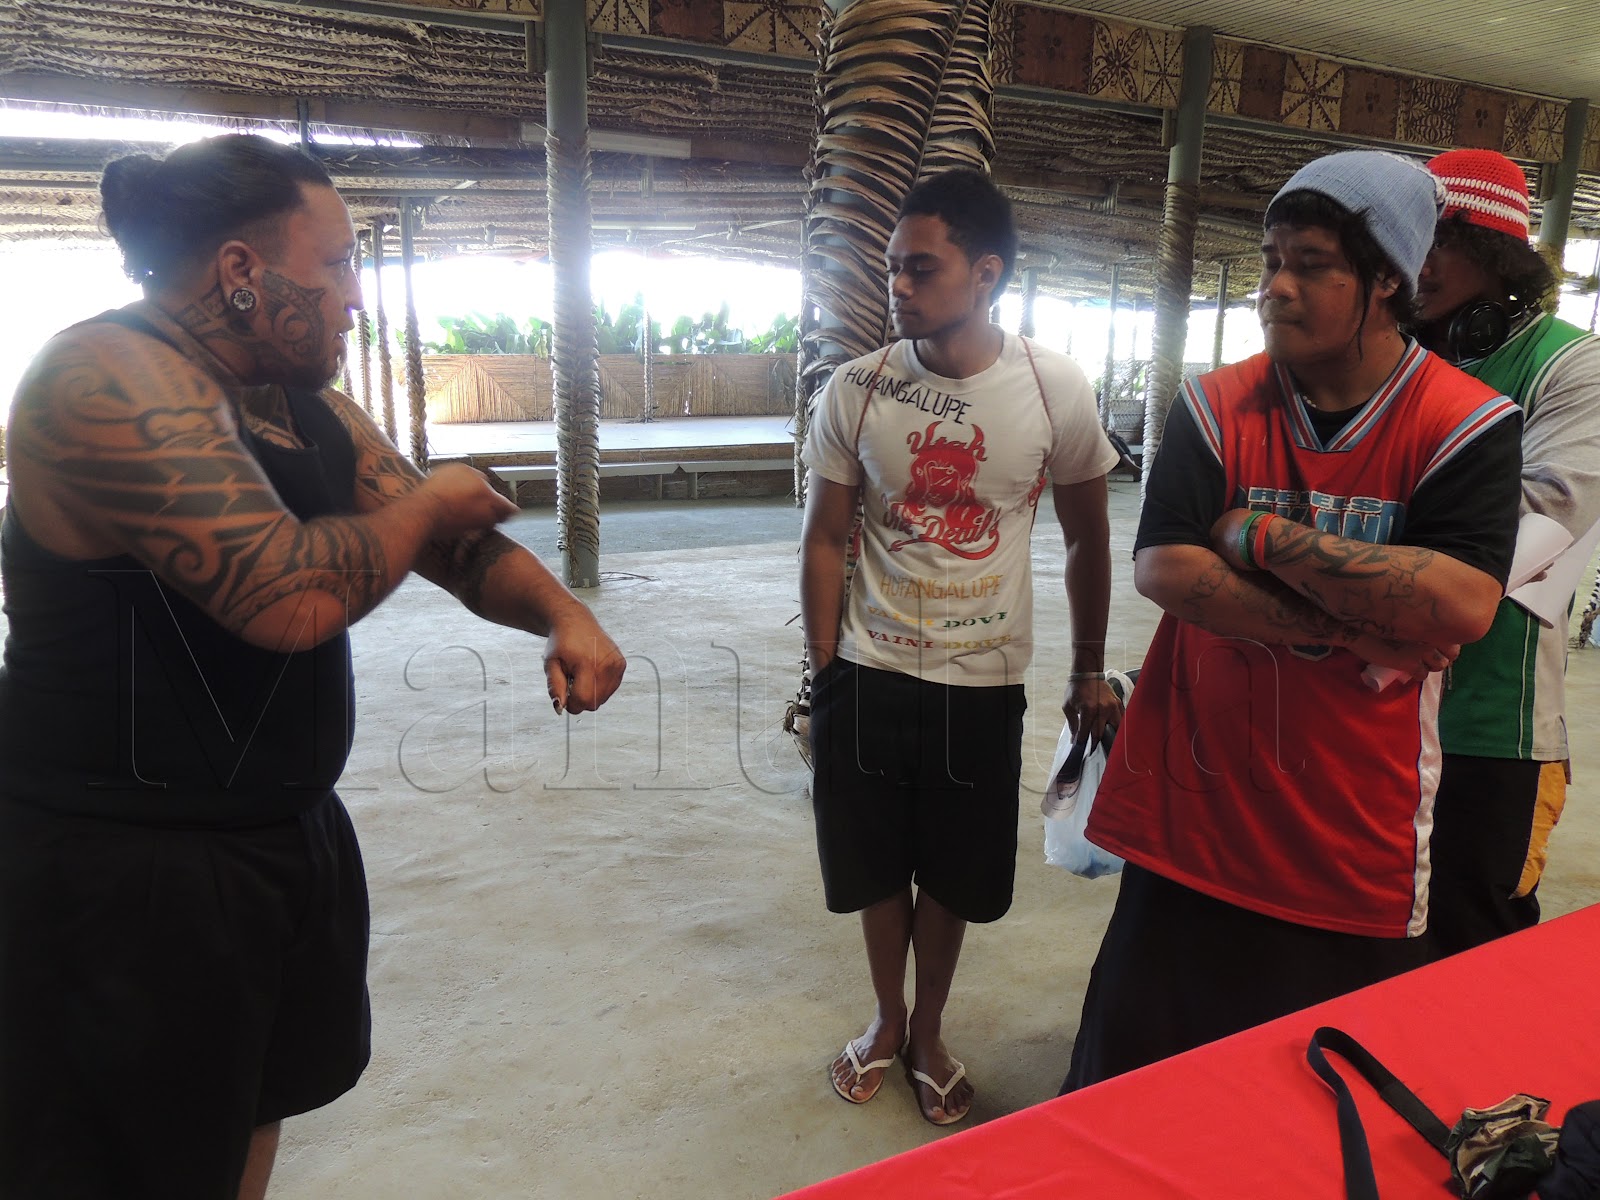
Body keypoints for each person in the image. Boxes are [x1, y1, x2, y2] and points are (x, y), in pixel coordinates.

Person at [0, 135, 626, 1199]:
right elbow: (285, 595)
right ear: (242, 272)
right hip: (123, 868)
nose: (353, 298)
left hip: (279, 833)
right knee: (126, 1161)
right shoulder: (103, 378)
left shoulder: (301, 399)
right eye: (334, 265)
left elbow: (445, 542)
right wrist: (433, 497)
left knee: (251, 1106)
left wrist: (563, 612)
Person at [1061, 150, 1525, 1092]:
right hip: (1190, 813)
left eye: (1310, 264)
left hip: (1350, 831)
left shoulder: (1464, 422)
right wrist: (1350, 629)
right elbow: (1165, 567)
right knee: (1132, 1090)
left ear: (1389, 279)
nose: (1275, 288)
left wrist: (1257, 532)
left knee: (1311, 1108)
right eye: (1271, 260)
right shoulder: (1216, 404)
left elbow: (1462, 602)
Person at [800, 168, 1120, 1125]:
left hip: (983, 684)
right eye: (894, 267)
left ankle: (931, 1027)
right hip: (869, 669)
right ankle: (887, 1021)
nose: (900, 286)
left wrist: (1088, 667)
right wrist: (825, 679)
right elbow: (823, 537)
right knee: (871, 864)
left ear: (986, 274)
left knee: (952, 871)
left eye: (922, 268)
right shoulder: (856, 391)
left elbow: (1089, 537)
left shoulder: (1051, 388)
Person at [1414, 148, 1600, 956]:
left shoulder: (1567, 362)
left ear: (1495, 257)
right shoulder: (1392, 359)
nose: (1410, 265)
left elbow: (1551, 505)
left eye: (1436, 242)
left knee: (1468, 936)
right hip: (1361, 707)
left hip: (1493, 718)